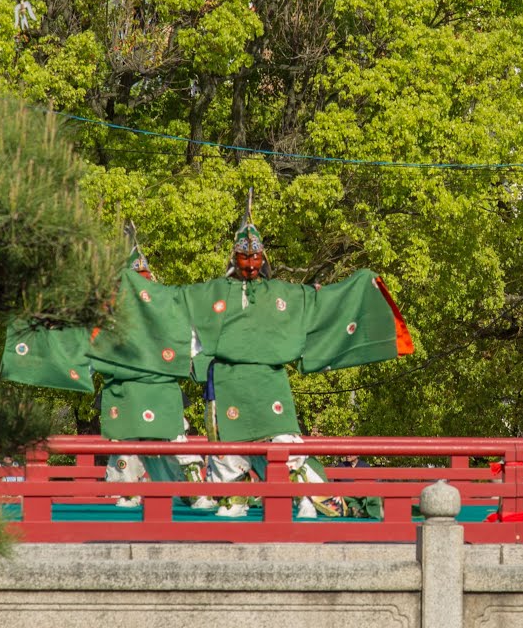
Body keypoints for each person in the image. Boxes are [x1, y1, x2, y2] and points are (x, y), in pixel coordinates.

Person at [90, 190, 415, 518]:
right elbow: (171, 304)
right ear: (234, 257)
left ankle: (311, 500)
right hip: (225, 385)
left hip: (268, 386)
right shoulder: (212, 294)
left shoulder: (283, 295)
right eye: (244, 257)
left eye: (255, 257)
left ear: (263, 258)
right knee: (225, 451)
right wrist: (131, 292)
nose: (250, 263)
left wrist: (358, 286)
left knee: (286, 452)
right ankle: (234, 498)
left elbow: (321, 303)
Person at [90, 228, 213, 510]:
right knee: (127, 447)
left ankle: (192, 491)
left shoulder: (170, 314)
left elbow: (195, 346)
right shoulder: (107, 318)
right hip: (126, 392)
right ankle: (130, 494)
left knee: (173, 441)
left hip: (159, 391)